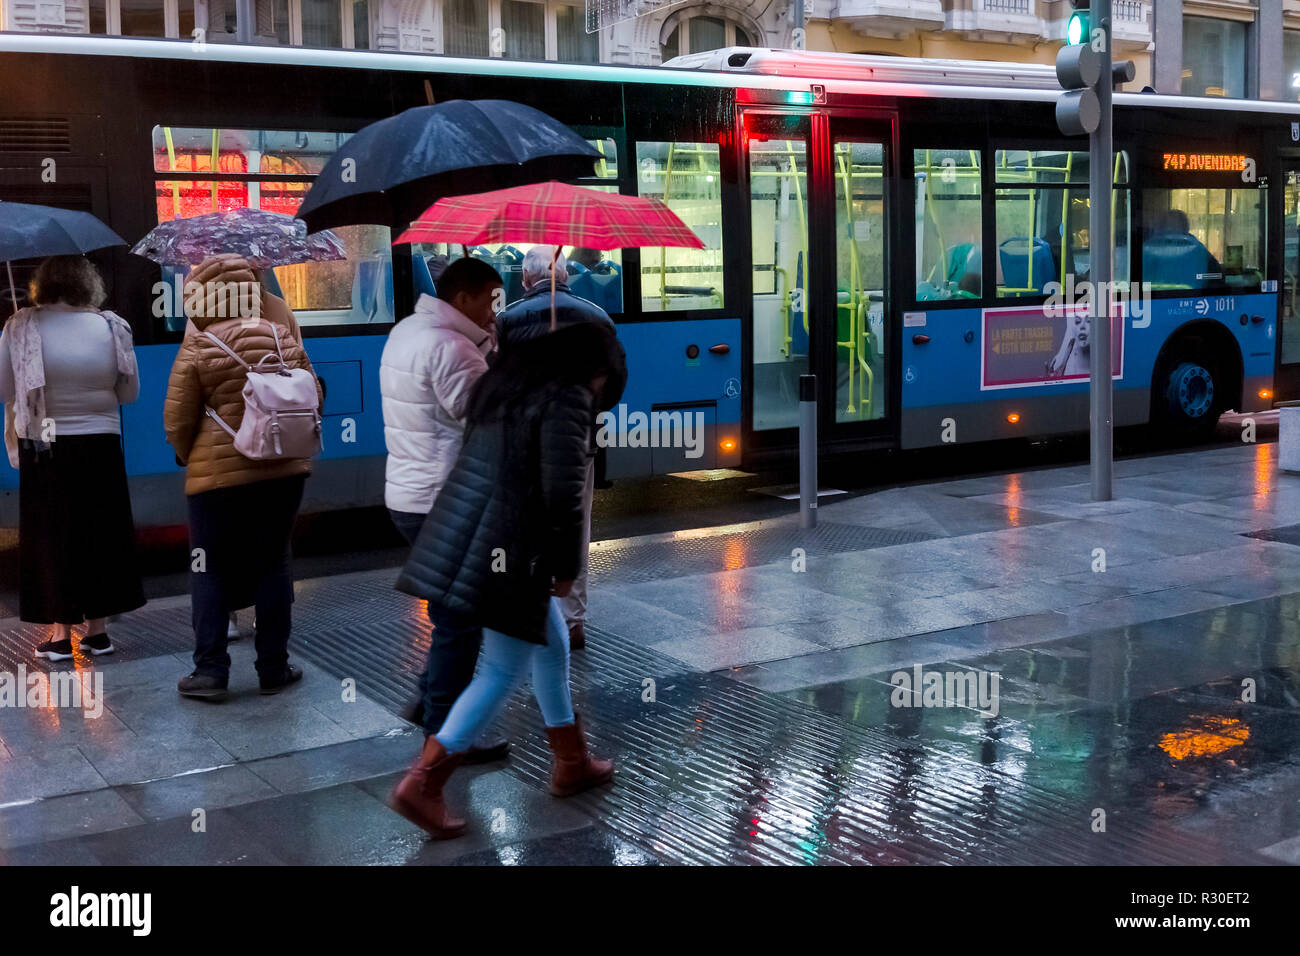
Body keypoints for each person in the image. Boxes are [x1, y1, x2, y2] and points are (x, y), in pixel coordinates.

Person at [390, 321, 621, 839]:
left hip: (472, 536)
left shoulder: (502, 385)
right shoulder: (567, 396)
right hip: (515, 548)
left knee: (552, 641)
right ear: (596, 368)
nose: (603, 389)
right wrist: (565, 567)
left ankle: (571, 760)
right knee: (499, 669)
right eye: (605, 377)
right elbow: (562, 493)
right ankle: (423, 784)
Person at [163, 254, 322, 701]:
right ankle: (274, 666)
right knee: (274, 561)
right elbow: (312, 397)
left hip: (218, 478)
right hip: (283, 472)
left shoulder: (198, 345)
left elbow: (177, 420)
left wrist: (186, 454)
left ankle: (211, 671)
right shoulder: (280, 335)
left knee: (209, 566)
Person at [380, 256, 509, 762]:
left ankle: (429, 696)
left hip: (411, 495)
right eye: (489, 300)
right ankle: (447, 731)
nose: (495, 311)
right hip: (447, 499)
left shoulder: (410, 330)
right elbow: (485, 419)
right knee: (461, 619)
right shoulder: (454, 347)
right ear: (462, 299)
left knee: (451, 608)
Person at [0, 255, 145, 660]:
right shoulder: (114, 327)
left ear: (41, 286)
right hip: (100, 441)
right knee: (100, 534)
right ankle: (98, 633)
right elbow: (129, 393)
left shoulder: (21, 326)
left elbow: (3, 389)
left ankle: (60, 635)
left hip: (44, 446)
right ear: (88, 285)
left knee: (52, 537)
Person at [496, 246, 627, 650]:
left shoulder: (505, 320)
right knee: (575, 525)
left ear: (525, 279)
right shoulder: (597, 317)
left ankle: (530, 614)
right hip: (576, 442)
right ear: (567, 276)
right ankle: (572, 622)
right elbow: (617, 380)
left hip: (520, 447)